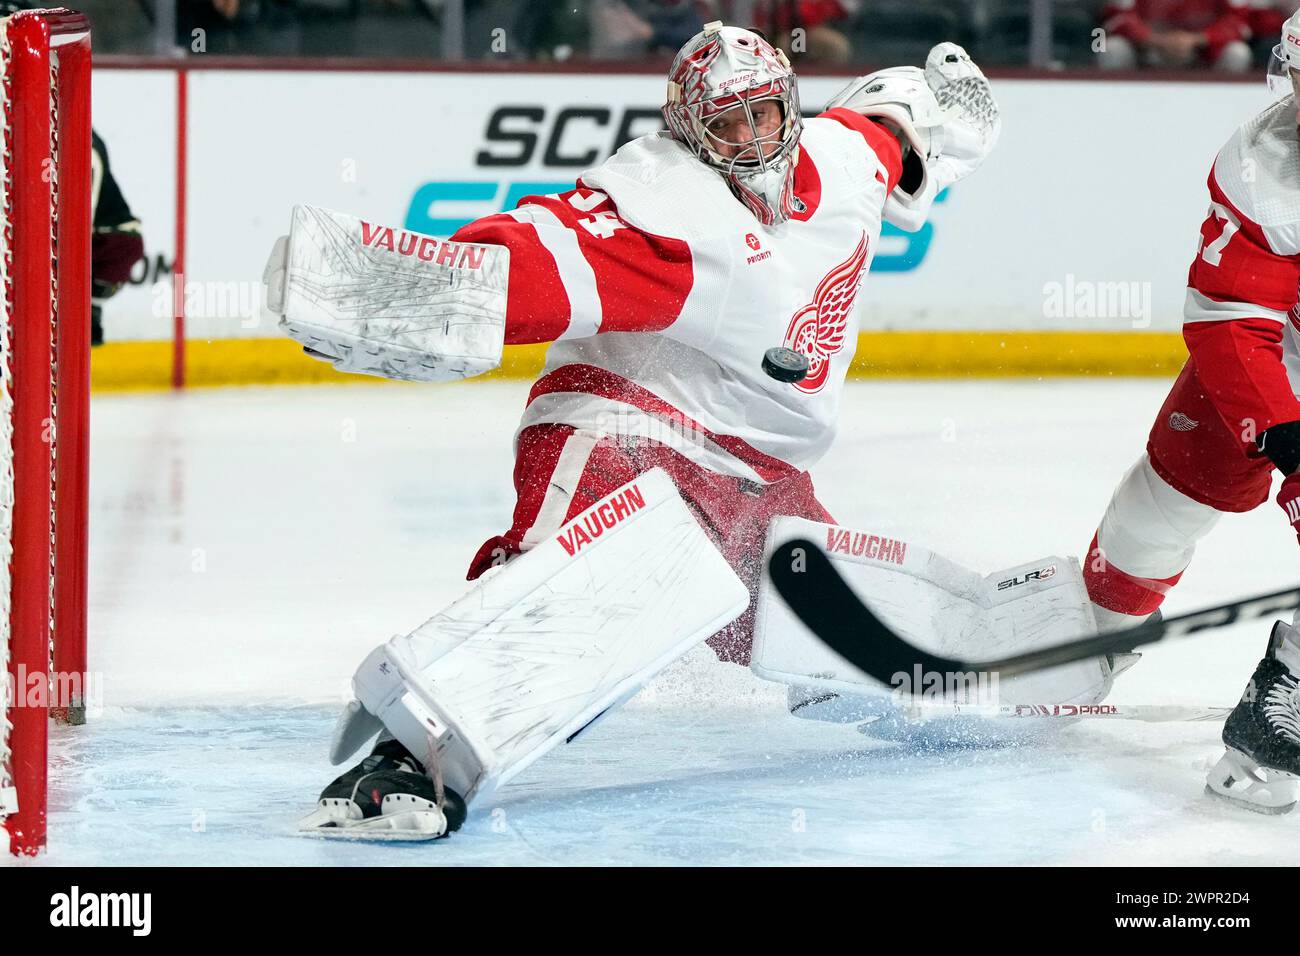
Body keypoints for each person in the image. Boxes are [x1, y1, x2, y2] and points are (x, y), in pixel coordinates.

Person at [278, 22, 999, 839]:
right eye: (728, 123)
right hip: (622, 421)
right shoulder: (665, 210)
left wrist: (954, 111)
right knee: (600, 592)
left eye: (766, 115)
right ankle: (411, 761)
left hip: (757, 470)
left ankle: (973, 671)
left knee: (844, 640)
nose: (754, 139)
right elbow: (533, 253)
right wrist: (397, 293)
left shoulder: (842, 163)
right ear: (688, 130)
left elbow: (897, 123)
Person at [1083, 10, 1300, 814]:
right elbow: (1233, 319)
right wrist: (1285, 429)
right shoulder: (1264, 165)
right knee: (1163, 503)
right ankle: (1094, 641)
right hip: (1278, 352)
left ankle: (1282, 713)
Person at [1097, 0, 1253, 72]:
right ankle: (1116, 108)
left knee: (1237, 53)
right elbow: (1116, 19)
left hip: (1203, 54)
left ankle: (1224, 112)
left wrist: (1198, 39)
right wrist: (1154, 39)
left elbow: (1240, 21)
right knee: (1113, 48)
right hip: (1147, 52)